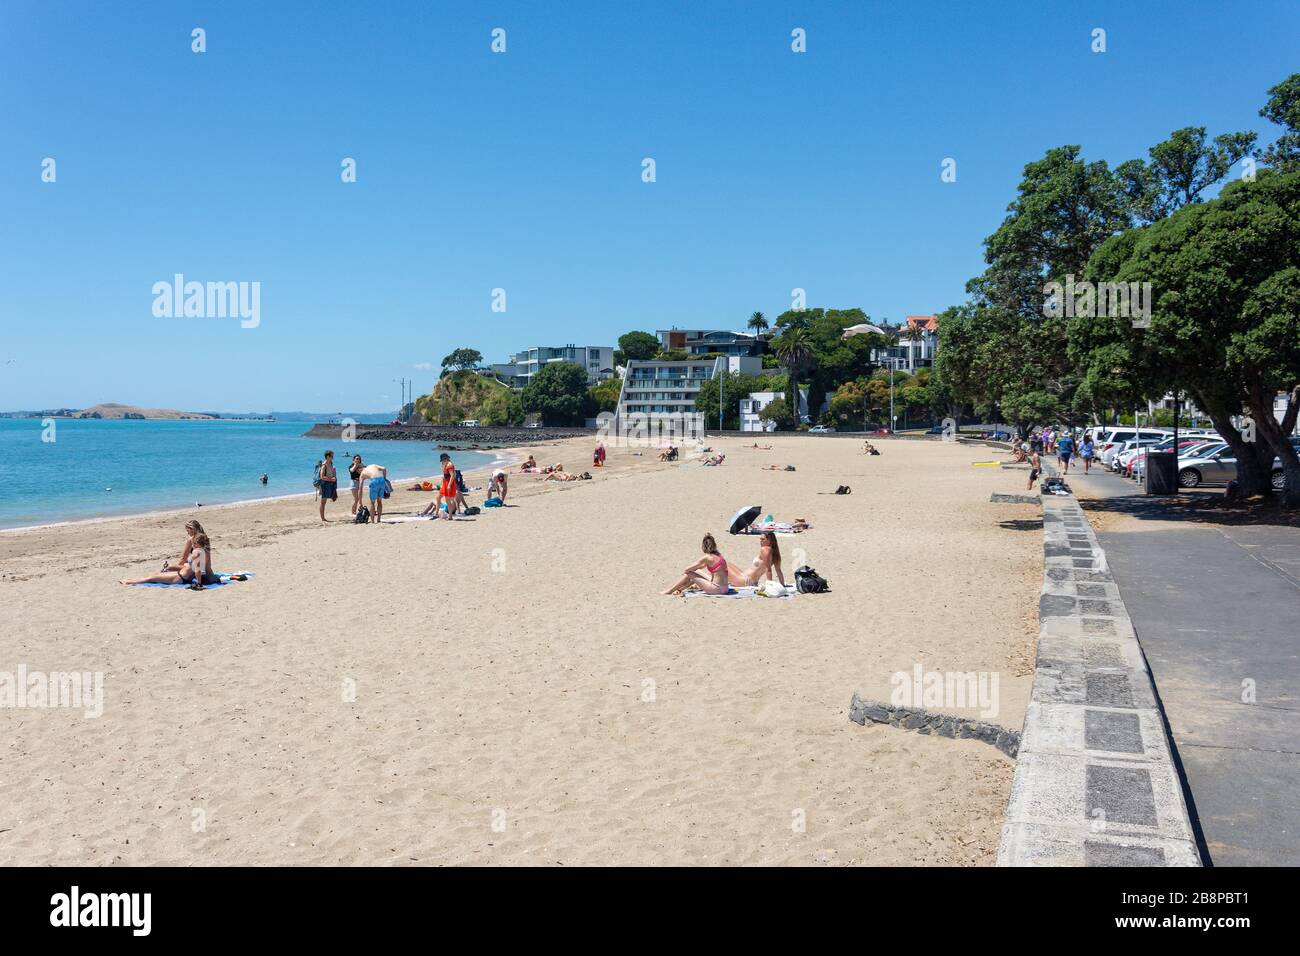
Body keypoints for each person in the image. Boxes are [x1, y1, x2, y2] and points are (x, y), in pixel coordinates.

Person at [124, 532, 215, 587]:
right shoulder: (205, 551)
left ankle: (128, 581)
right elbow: (202, 568)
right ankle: (130, 581)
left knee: (153, 577)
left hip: (181, 577)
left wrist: (199, 584)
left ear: (197, 543)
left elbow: (198, 570)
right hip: (186, 576)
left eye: (193, 543)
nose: (192, 545)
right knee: (157, 575)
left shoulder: (196, 552)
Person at [662, 533, 732, 595]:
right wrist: (695, 570)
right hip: (725, 588)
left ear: (703, 546)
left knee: (689, 573)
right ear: (714, 545)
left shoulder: (707, 558)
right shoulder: (719, 555)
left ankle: (670, 591)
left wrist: (688, 572)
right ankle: (680, 589)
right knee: (696, 572)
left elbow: (687, 569)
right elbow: (700, 567)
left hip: (717, 589)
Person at [317, 450, 337, 521]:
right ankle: (323, 518)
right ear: (328, 456)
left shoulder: (331, 463)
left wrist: (334, 477)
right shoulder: (324, 465)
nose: (333, 457)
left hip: (329, 484)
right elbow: (322, 476)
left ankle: (323, 517)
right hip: (324, 485)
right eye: (332, 456)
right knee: (323, 502)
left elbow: (331, 473)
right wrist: (331, 479)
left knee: (325, 501)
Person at [438, 453, 459, 519]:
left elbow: (453, 475)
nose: (442, 462)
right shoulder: (446, 464)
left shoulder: (450, 465)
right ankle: (448, 514)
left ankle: (450, 516)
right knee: (443, 498)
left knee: (448, 500)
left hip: (449, 483)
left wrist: (449, 485)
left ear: (445, 459)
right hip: (446, 483)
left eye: (442, 460)